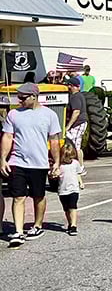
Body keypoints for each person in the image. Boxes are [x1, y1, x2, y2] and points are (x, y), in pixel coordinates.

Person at [0, 83, 61, 248]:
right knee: (18, 196)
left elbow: (54, 140)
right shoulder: (13, 114)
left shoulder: (49, 115)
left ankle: (37, 225)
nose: (19, 100)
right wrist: (3, 159)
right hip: (17, 162)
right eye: (18, 97)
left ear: (34, 96)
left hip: (39, 163)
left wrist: (56, 162)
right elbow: (7, 136)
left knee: (38, 196)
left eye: (23, 97)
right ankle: (18, 231)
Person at [65, 77, 88, 188]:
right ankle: (81, 168)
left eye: (69, 85)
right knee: (77, 146)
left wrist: (68, 127)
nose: (68, 87)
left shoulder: (75, 97)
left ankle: (77, 169)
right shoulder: (79, 96)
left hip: (77, 124)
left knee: (72, 146)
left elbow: (76, 112)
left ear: (72, 86)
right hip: (81, 123)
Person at [58, 141, 82, 236]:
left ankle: (73, 225)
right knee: (66, 209)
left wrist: (81, 182)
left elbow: (78, 174)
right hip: (63, 190)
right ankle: (69, 222)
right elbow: (54, 175)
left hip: (74, 189)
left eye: (71, 157)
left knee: (73, 206)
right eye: (68, 157)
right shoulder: (60, 165)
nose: (70, 159)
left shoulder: (75, 163)